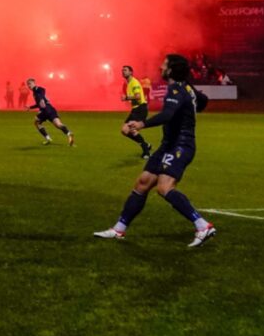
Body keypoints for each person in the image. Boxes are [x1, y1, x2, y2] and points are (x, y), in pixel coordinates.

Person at [93, 53, 217, 247]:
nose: (160, 67)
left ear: (171, 70)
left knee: (164, 187)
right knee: (143, 183)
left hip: (180, 145)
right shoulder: (185, 87)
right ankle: (118, 229)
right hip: (168, 145)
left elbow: (167, 114)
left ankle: (202, 225)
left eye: (164, 65)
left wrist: (141, 124)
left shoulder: (176, 89)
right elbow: (203, 99)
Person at [25, 77, 74, 144]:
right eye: (27, 84)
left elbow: (43, 92)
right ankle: (69, 133)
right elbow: (39, 104)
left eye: (30, 84)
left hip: (45, 109)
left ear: (34, 83)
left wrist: (41, 99)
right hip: (50, 108)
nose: (29, 86)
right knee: (58, 124)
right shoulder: (34, 92)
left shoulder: (38, 89)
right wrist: (30, 107)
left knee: (37, 122)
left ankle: (48, 139)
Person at [120, 65, 152, 159]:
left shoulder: (134, 82)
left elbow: (138, 97)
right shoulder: (128, 83)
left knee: (132, 130)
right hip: (135, 109)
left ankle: (146, 152)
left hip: (140, 109)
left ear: (131, 72)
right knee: (124, 131)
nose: (123, 72)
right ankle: (146, 145)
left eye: (125, 70)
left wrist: (126, 97)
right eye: (122, 70)